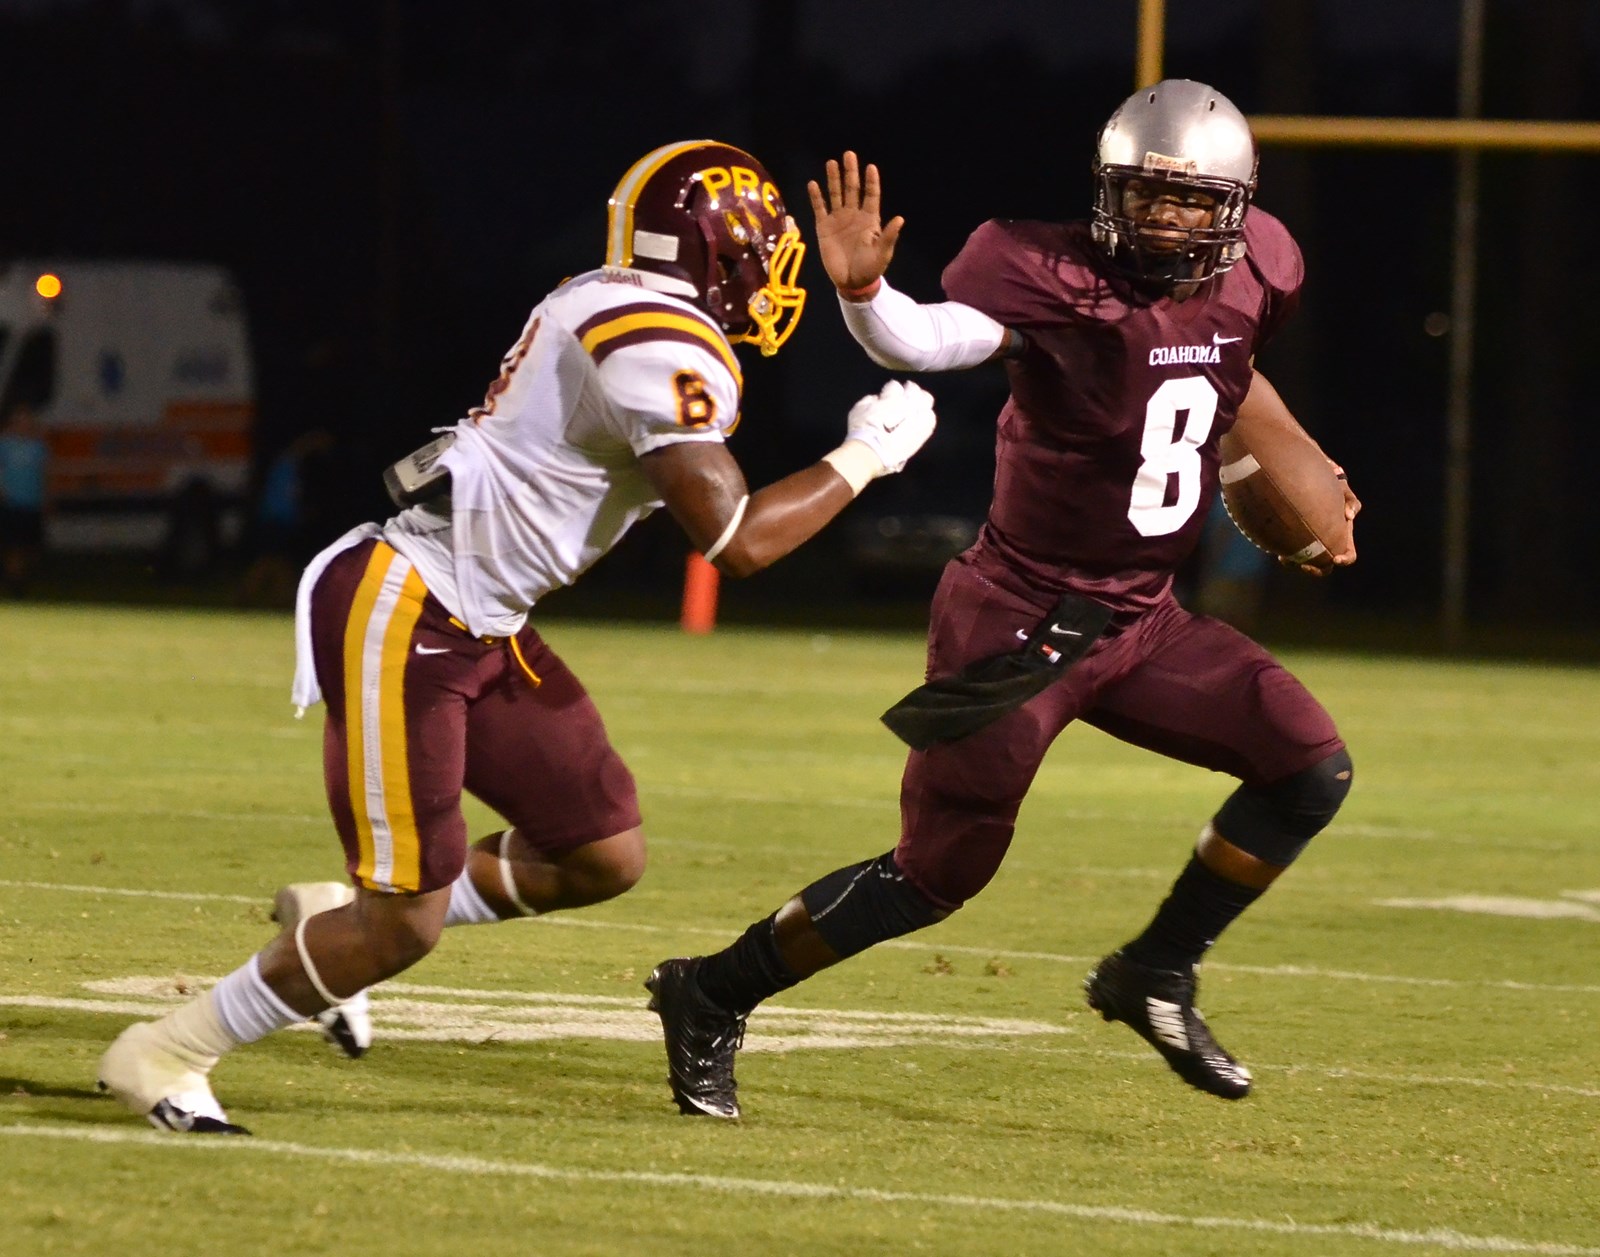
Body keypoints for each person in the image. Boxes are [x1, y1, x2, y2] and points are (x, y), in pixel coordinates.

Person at [97, 139, 939, 1134]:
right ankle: (166, 1050)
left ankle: (335, 916)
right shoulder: (659, 345)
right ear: (716, 253)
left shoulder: (606, 296)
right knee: (401, 923)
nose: (768, 278)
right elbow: (735, 542)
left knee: (598, 852)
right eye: (760, 253)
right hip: (408, 609)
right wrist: (865, 456)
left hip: (478, 618)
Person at [646, 81, 1361, 1119]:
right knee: (936, 875)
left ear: (1237, 208)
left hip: (1144, 618)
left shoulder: (1261, 270)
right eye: (1145, 197)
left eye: (1189, 201)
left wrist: (1289, 472)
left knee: (1307, 768)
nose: (1164, 221)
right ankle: (709, 990)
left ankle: (1154, 971)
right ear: (1106, 193)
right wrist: (861, 298)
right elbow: (928, 341)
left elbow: (1230, 370)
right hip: (1022, 619)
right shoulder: (1046, 275)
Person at [0, 403, 49, 596]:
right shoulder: (4, 445)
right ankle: (14, 586)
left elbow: (45, 473)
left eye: (27, 420)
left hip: (33, 502)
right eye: (19, 420)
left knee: (31, 547)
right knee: (13, 546)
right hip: (11, 503)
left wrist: (47, 498)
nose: (24, 424)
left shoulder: (38, 446)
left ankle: (21, 579)